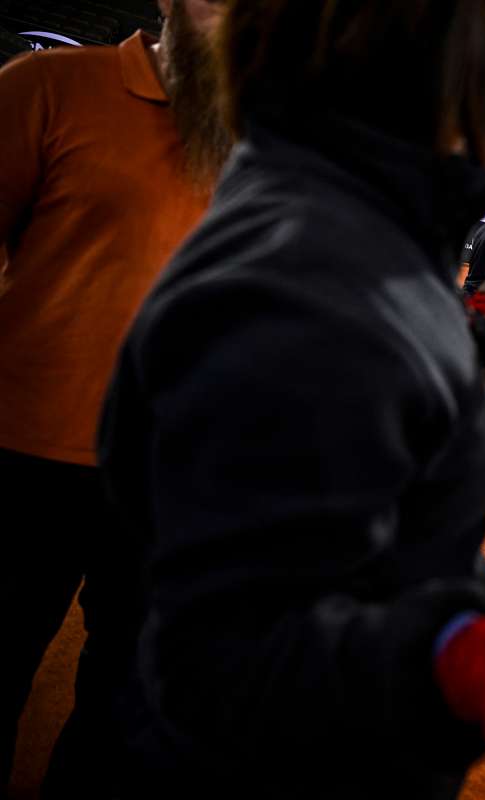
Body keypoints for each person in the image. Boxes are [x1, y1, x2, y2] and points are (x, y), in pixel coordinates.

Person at [93, 2, 485, 798]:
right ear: (451, 49)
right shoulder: (317, 275)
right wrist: (459, 660)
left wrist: (463, 330)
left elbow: (363, 411)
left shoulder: (334, 213)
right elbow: (221, 662)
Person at [0, 0, 230, 791]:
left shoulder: (287, 152)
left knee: (126, 718)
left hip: (175, 485)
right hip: (23, 462)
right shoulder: (50, 87)